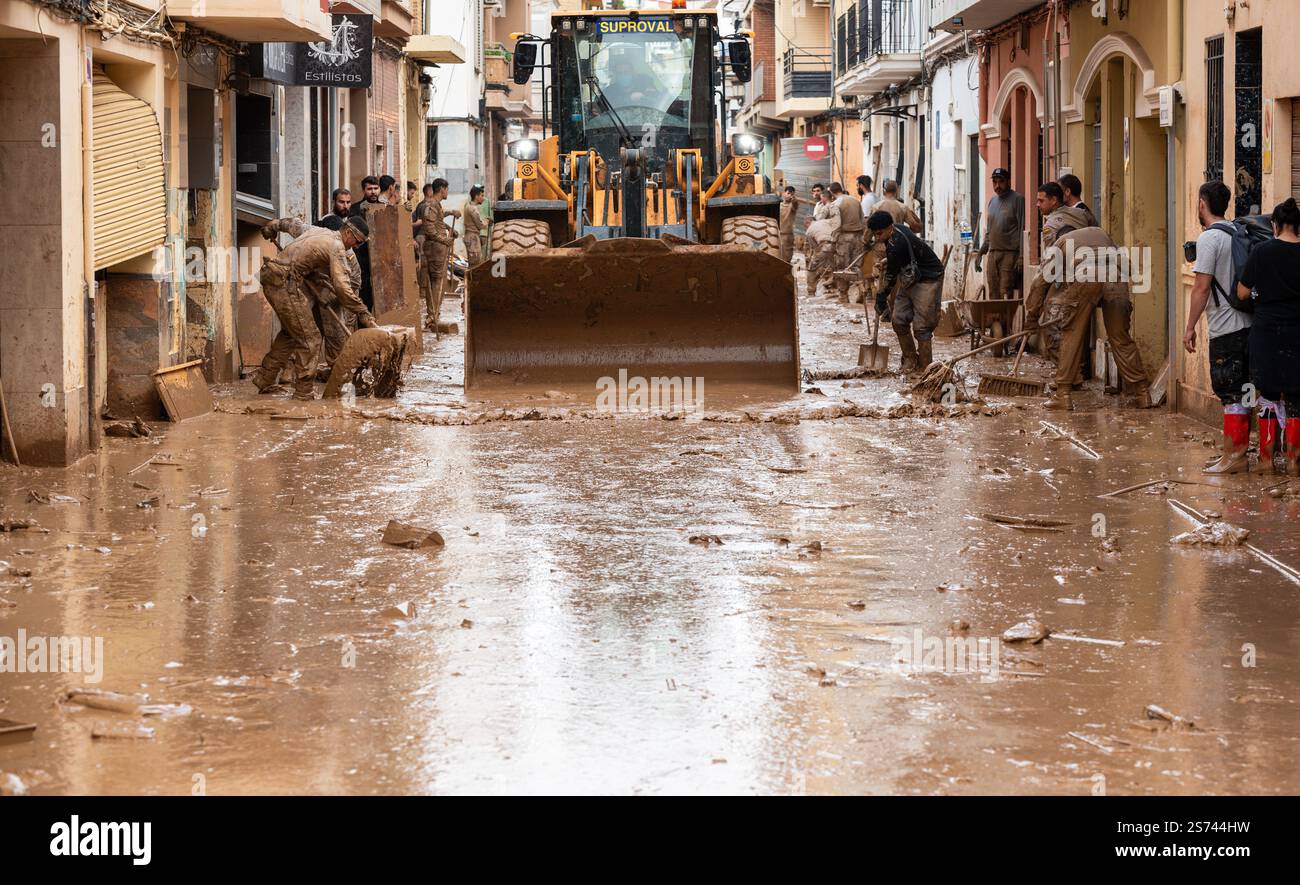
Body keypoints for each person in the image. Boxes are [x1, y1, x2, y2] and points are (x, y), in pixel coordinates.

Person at [1028, 226, 1151, 412]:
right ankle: (1142, 393)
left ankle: (1062, 395)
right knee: (1120, 337)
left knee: (1071, 333)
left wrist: (1031, 317)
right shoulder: (1099, 233)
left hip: (1086, 275)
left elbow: (1040, 283)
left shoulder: (1060, 243)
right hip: (1116, 277)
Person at [252, 217, 377, 400]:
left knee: (292, 333)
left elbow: (291, 224)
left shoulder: (319, 231)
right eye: (357, 242)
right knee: (311, 339)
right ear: (348, 232)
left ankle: (265, 378)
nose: (357, 246)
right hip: (284, 282)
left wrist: (272, 227)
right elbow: (343, 288)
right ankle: (304, 393)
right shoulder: (337, 247)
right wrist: (364, 313)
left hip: (274, 277)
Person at [1184, 181, 1254, 473]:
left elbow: (1201, 288)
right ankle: (1235, 452)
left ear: (1202, 203)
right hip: (1248, 322)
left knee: (1229, 389)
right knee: (1245, 388)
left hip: (1226, 327)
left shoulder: (1210, 239)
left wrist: (1189, 327)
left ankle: (1236, 456)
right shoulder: (1238, 231)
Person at [1238, 197, 1300, 475]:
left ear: (1274, 225)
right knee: (1297, 397)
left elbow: (1241, 292)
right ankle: (1295, 462)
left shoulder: (1261, 252)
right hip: (1298, 332)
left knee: (1268, 396)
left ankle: (1265, 461)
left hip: (1267, 333)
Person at [868, 210, 946, 373]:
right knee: (898, 320)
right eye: (874, 234)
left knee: (922, 326)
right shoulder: (896, 230)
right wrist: (888, 260)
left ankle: (925, 368)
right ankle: (910, 359)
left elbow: (889, 279)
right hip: (910, 275)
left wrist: (880, 299)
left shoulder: (897, 244)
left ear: (889, 228)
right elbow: (901, 256)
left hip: (929, 278)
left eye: (879, 234)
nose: (877, 238)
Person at [416, 177, 459, 335]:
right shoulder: (431, 204)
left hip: (438, 246)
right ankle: (432, 315)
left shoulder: (435, 205)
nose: (447, 192)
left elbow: (437, 220)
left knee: (437, 281)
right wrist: (444, 239)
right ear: (442, 189)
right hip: (436, 248)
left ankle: (434, 314)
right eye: (447, 189)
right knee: (436, 282)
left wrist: (450, 216)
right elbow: (429, 227)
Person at [975, 169, 1024, 299]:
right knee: (993, 290)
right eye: (995, 182)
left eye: (1001, 182)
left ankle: (1005, 320)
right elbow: (989, 231)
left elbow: (1021, 229)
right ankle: (994, 319)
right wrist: (981, 252)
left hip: (1009, 253)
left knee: (1005, 291)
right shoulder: (992, 201)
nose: (997, 186)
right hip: (993, 253)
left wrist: (1021, 256)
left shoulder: (1017, 199)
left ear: (1008, 181)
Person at [829, 182, 865, 300]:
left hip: (844, 238)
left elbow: (836, 225)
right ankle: (861, 292)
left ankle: (843, 296)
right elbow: (863, 219)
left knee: (842, 267)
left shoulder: (835, 204)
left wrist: (833, 241)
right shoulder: (855, 200)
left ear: (832, 192)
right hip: (858, 237)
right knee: (857, 266)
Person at [1038, 181, 1092, 252]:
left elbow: (1052, 256)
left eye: (1041, 201)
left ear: (1054, 200)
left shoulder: (1050, 225)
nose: (1038, 204)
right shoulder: (1082, 213)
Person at [805, 185, 839, 295]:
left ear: (807, 223)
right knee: (835, 266)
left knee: (811, 268)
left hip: (824, 246)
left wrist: (815, 258)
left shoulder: (809, 231)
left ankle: (811, 291)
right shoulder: (825, 221)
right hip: (836, 245)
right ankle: (840, 292)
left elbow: (815, 248)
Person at [462, 185, 487, 266]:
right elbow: (480, 225)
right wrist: (486, 222)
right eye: (482, 195)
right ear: (476, 196)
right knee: (475, 264)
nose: (483, 198)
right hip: (472, 238)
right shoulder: (473, 209)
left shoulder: (469, 206)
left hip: (471, 237)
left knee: (474, 263)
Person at [779, 186, 797, 264]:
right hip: (778, 233)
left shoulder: (792, 206)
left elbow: (795, 203)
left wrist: (794, 199)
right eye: (788, 193)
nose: (789, 196)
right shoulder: (779, 205)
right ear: (784, 193)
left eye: (791, 194)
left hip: (787, 234)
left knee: (787, 257)